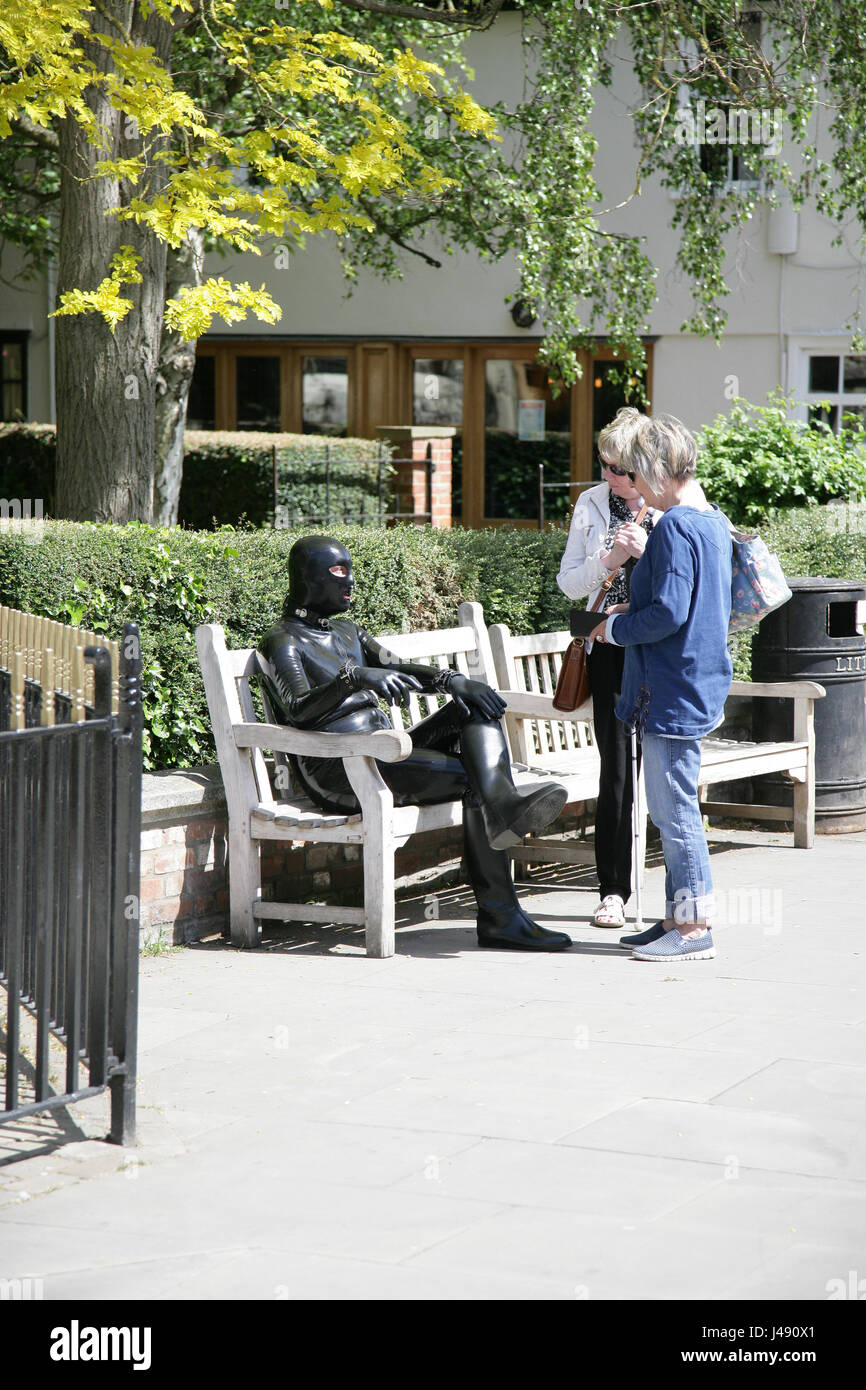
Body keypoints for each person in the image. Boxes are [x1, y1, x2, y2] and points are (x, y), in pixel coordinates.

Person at [259, 534, 572, 952]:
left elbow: (398, 666)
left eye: (352, 570)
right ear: (306, 577)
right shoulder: (283, 639)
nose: (350, 581)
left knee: (474, 707)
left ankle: (501, 809)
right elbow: (298, 709)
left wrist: (452, 681)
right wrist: (353, 678)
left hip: (388, 751)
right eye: (338, 571)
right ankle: (501, 911)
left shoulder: (348, 630)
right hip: (343, 768)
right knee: (477, 781)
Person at [589, 414, 733, 962]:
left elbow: (670, 613)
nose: (636, 488)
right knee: (676, 808)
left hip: (668, 688)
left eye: (638, 475)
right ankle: (676, 918)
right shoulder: (711, 519)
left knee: (674, 813)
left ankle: (693, 930)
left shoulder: (673, 526)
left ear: (658, 469)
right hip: (695, 681)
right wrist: (636, 608)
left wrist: (616, 626)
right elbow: (691, 604)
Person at [556, 407, 661, 929]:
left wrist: (646, 554)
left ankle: (684, 901)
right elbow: (569, 584)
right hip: (608, 649)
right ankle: (613, 890)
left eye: (620, 468)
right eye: (604, 465)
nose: (610, 477)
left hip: (658, 651)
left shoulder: (672, 507)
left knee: (666, 767)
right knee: (616, 768)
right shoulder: (591, 504)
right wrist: (610, 562)